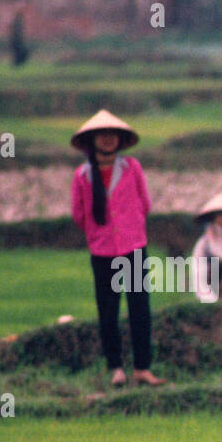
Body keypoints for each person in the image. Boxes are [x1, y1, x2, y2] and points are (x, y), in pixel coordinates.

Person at [70, 110, 165, 387]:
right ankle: (116, 368)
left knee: (140, 309)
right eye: (102, 134)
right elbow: (79, 214)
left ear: (120, 139)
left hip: (133, 248)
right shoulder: (82, 175)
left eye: (113, 134)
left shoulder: (132, 168)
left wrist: (129, 227)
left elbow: (144, 204)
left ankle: (142, 368)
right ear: (92, 140)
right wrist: (100, 233)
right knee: (108, 311)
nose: (108, 139)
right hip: (102, 253)